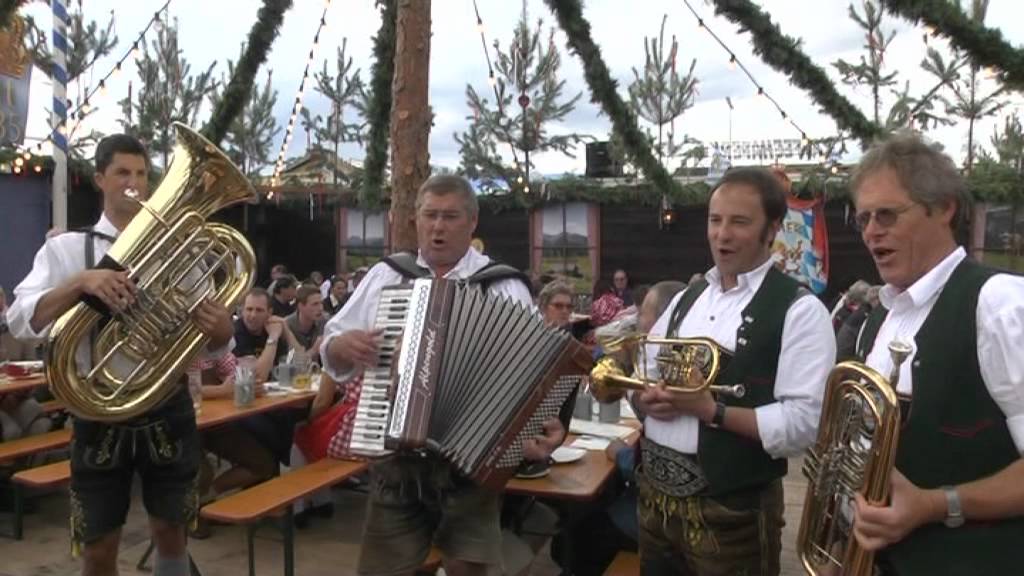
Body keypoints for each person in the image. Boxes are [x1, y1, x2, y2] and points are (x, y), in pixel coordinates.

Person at [5, 134, 235, 576]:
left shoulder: (179, 249)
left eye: (142, 174)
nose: (135, 183)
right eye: (123, 173)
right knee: (98, 548)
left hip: (167, 405)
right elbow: (19, 319)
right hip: (98, 411)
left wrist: (219, 325)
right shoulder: (68, 249)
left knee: (173, 535)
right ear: (99, 180)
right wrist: (81, 283)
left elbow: (219, 341)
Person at [320, 174, 565, 576]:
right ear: (416, 219)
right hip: (394, 462)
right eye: (430, 215)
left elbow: (530, 374)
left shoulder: (500, 285)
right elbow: (330, 344)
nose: (438, 226)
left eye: (450, 216)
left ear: (472, 223)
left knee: (468, 569)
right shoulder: (388, 276)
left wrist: (533, 425)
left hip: (469, 468)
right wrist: (340, 346)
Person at [634, 166, 835, 576]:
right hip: (654, 504)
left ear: (772, 229)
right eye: (715, 220)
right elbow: (642, 369)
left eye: (739, 222)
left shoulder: (800, 310)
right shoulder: (688, 298)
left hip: (732, 515)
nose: (721, 234)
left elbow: (805, 424)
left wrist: (713, 412)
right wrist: (643, 397)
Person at [848, 132, 1024, 575]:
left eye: (887, 214)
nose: (871, 231)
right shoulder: (877, 319)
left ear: (944, 208)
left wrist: (933, 504)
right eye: (864, 217)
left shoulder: (1001, 304)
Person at [232, 287, 289, 383]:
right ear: (242, 311)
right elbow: (258, 377)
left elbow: (301, 363)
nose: (253, 315)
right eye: (249, 309)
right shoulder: (235, 333)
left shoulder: (272, 327)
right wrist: (273, 338)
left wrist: (286, 330)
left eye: (259, 310)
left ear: (269, 312)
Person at [283, 284, 326, 360]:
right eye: (315, 304)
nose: (320, 308)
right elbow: (293, 361)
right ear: (300, 306)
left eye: (321, 303)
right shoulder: (287, 325)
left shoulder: (325, 322)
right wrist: (313, 350)